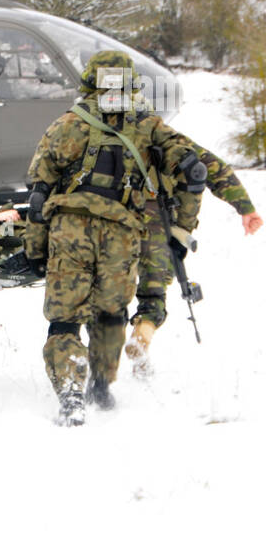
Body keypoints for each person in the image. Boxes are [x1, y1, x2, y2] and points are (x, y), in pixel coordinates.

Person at [24, 50, 201, 425]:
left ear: (89, 83)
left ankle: (70, 392)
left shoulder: (65, 125)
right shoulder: (149, 127)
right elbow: (192, 168)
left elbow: (39, 195)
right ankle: (101, 386)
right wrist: (182, 228)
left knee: (65, 321)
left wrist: (35, 250)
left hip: (70, 229)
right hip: (122, 235)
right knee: (110, 315)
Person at [127, 143, 264, 371]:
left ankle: (103, 366)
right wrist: (245, 207)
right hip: (157, 220)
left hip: (108, 221)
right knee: (154, 291)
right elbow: (209, 167)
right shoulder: (159, 134)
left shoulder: (94, 132)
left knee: (110, 294)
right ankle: (144, 331)